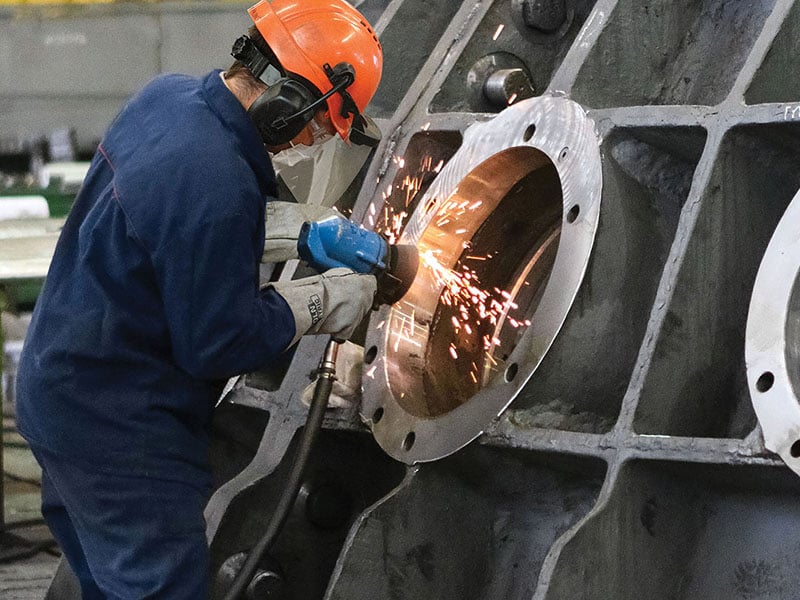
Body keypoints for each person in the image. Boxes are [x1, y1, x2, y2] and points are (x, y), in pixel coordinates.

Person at [14, 0, 383, 597]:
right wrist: (321, 301)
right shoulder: (216, 184)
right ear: (290, 102)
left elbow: (169, 219)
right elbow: (218, 340)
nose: (307, 143)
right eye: (318, 125)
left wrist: (304, 230)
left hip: (59, 392)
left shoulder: (168, 99)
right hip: (121, 432)